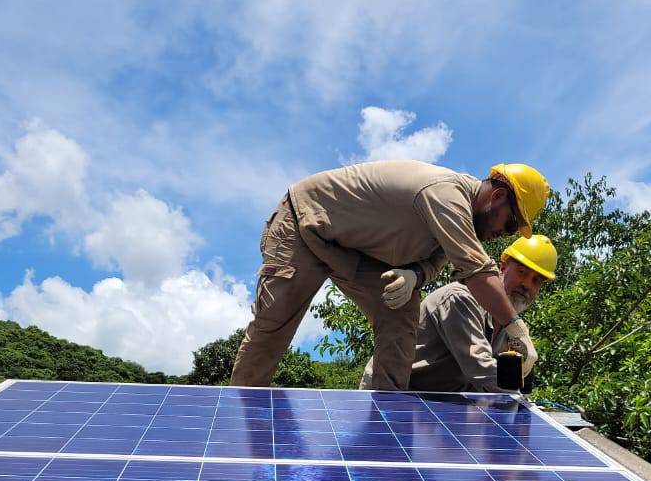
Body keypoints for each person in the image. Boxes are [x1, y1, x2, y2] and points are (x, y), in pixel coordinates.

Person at [229, 160, 549, 390]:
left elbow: (435, 261)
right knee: (274, 325)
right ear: (497, 197)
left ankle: (387, 415)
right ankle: (241, 418)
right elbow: (476, 270)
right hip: (306, 225)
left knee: (402, 310)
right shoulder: (446, 194)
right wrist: (515, 328)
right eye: (510, 224)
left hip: (356, 253)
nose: (504, 233)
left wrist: (414, 275)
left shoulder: (461, 220)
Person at [360, 234, 556, 393]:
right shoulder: (461, 298)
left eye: (536, 281)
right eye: (522, 273)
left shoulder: (511, 329)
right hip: (391, 392)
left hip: (433, 401)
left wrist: (522, 380)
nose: (526, 285)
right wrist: (518, 400)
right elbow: (480, 368)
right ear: (502, 268)